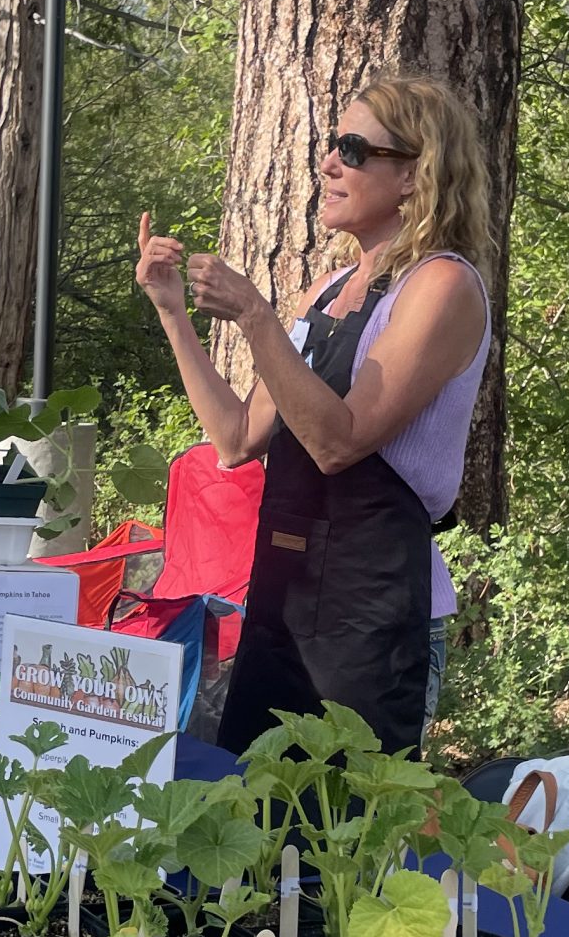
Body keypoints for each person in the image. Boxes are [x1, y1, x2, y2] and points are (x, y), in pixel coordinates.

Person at [136, 70, 492, 758]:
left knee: (346, 845)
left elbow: (338, 442)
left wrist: (253, 314)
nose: (329, 162)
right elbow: (237, 439)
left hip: (375, 618)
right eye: (333, 145)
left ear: (417, 174)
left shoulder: (441, 286)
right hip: (286, 608)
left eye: (355, 150)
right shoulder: (327, 291)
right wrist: (172, 312)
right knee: (255, 834)